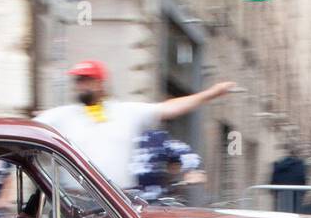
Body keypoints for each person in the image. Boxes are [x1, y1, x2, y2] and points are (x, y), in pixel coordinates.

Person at [35, 59, 236, 191]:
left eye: (87, 80)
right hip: (73, 197)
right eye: (78, 81)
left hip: (117, 201)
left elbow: (169, 109)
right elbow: (23, 131)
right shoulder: (61, 116)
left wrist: (211, 94)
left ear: (101, 84)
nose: (81, 85)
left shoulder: (126, 112)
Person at [270, 143, 310, 213]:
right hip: (296, 194)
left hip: (281, 195)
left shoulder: (278, 164)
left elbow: (273, 180)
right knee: (295, 214)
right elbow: (303, 179)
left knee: (280, 213)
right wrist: (303, 192)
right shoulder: (301, 164)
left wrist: (273, 192)